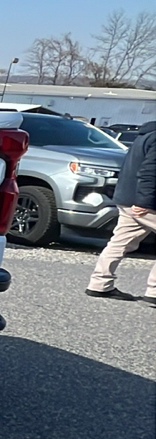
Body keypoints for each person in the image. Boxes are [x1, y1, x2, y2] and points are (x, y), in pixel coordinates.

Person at [86, 119, 156, 305]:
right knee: (121, 241)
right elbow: (150, 171)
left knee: (121, 241)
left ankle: (100, 284)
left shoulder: (145, 135)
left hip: (127, 198)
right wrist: (145, 201)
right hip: (144, 202)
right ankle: (154, 291)